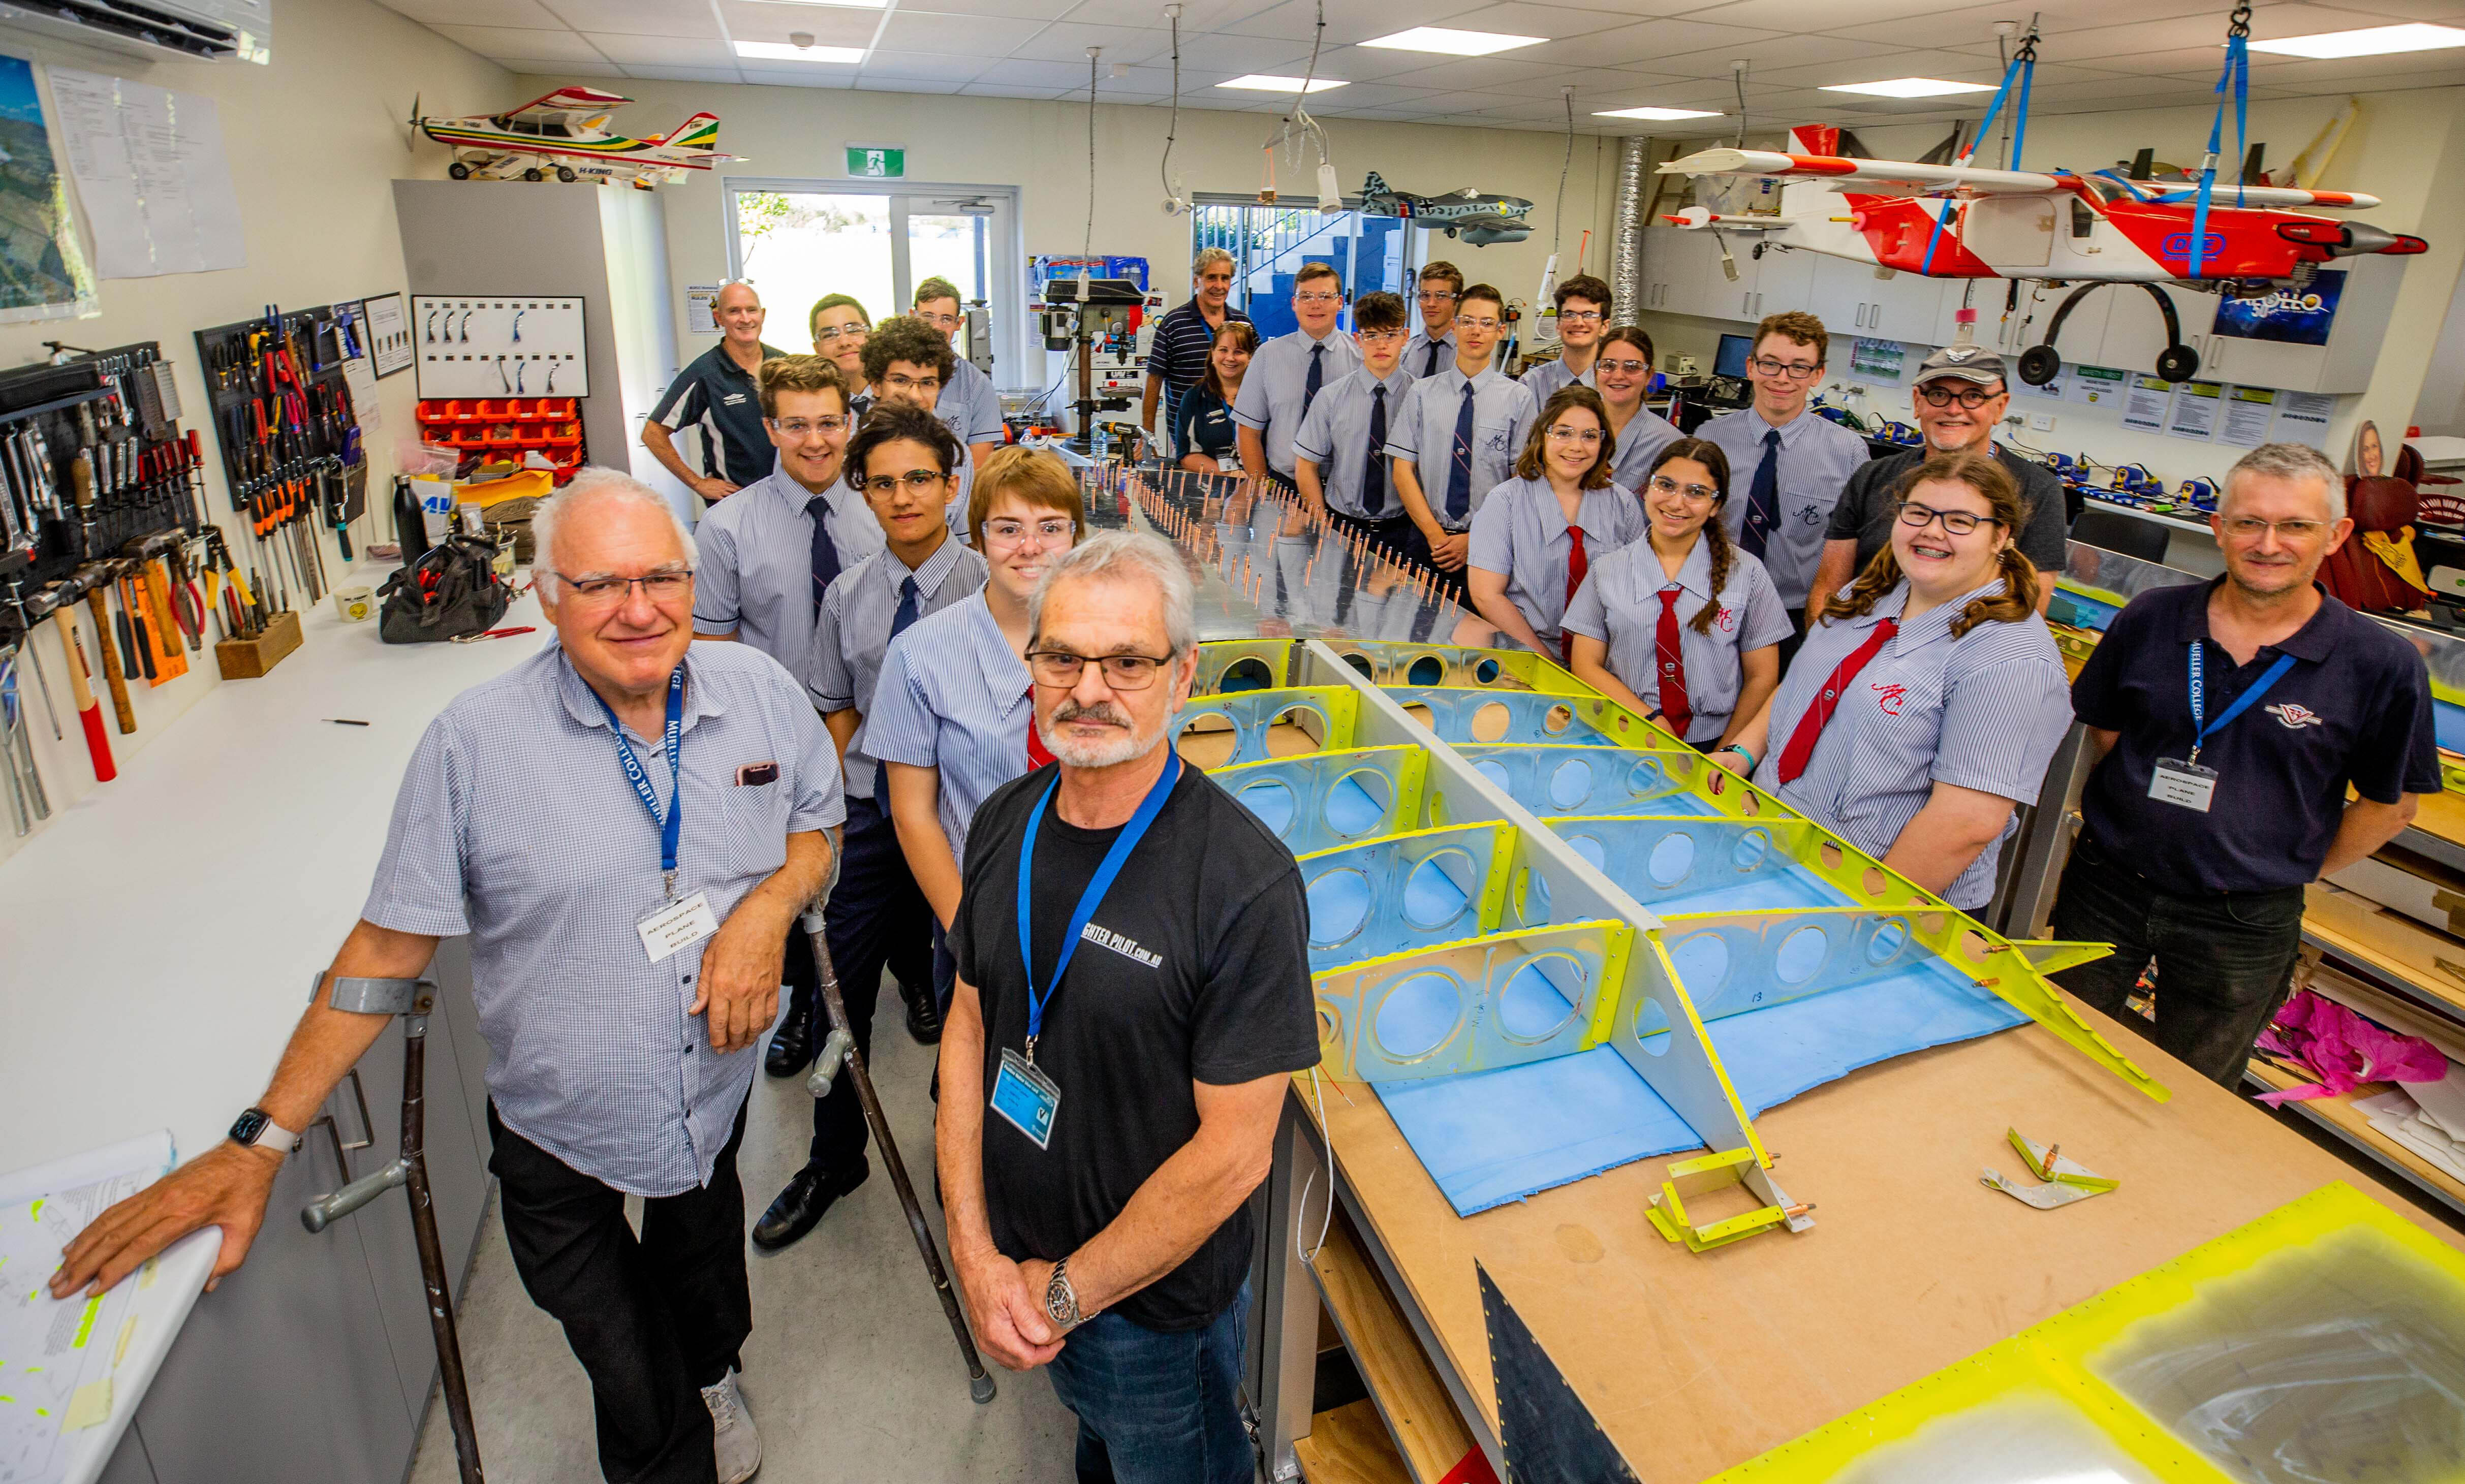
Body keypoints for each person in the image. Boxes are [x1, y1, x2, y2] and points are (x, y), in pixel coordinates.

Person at [53, 471, 841, 1484]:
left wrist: (766, 910)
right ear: (546, 594)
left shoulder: (763, 693)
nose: (639, 608)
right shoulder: (474, 746)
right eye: (601, 583)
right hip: (558, 1119)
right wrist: (261, 1140)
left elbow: (816, 828)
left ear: (692, 581)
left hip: (712, 1085)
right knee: (624, 1356)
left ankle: (714, 1364)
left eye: (660, 576)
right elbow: (385, 949)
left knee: (700, 1263)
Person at [937, 531, 1317, 1484]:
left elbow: (1232, 1158)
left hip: (1147, 1313)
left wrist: (1061, 1299)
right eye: (1062, 656)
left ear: (1183, 677)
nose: (1089, 688)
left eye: (1128, 662)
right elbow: (970, 1030)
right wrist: (976, 1254)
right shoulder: (1003, 820)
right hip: (1020, 1265)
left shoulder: (1243, 884)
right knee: (1098, 1454)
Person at [2052, 442, 2438, 1085]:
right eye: (2249, 521)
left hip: (2245, 918)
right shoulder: (2152, 617)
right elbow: (2109, 726)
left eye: (2295, 525)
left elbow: (2390, 805)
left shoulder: (2379, 663)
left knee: (2195, 1088)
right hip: (2108, 885)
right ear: (2218, 528)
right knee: (2056, 1042)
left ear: (2337, 535)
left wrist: (2286, 865)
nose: (2269, 542)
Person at [759, 404, 986, 1252]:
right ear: (863, 491)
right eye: (883, 482)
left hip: (968, 826)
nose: (902, 497)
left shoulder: (994, 588)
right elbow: (835, 706)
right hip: (872, 820)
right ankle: (834, 1156)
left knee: (975, 988)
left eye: (918, 479)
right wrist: (853, 808)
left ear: (950, 485)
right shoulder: (850, 595)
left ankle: (961, 1155)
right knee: (835, 993)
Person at [1714, 452, 2072, 911]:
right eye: (1919, 513)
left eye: (1960, 521)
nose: (1932, 530)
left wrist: (1860, 909)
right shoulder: (1865, 596)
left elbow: (1966, 824)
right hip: (1775, 849)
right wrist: (1741, 754)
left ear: (2000, 536)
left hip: (1872, 898)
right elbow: (1805, 689)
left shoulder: (2009, 658)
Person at [690, 356, 886, 1086]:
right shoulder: (726, 528)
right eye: (796, 424)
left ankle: (912, 981)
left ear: (850, 422)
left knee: (870, 868)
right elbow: (710, 655)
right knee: (790, 877)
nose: (815, 440)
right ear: (769, 427)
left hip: (873, 733)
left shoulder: (882, 512)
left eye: (829, 422)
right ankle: (803, 1004)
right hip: (776, 739)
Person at [869, 448, 1086, 1012]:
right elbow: (914, 813)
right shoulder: (920, 655)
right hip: (977, 909)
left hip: (1097, 909)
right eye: (1008, 528)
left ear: (1077, 536)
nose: (1031, 547)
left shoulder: (1109, 644)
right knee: (975, 1075)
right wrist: (967, 929)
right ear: (979, 537)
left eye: (1051, 527)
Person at [1565, 437, 1791, 750]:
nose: (1676, 502)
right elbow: (1586, 664)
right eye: (1666, 485)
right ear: (1647, 488)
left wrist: (1726, 752)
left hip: (1714, 740)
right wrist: (1649, 718)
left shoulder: (1747, 573)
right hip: (1629, 729)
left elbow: (1762, 677)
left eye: (1697, 493)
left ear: (1716, 505)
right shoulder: (1608, 569)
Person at [1814, 343, 2067, 619]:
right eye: (1938, 394)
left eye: (1974, 396)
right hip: (1858, 644)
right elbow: (1829, 590)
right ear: (1917, 401)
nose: (1954, 409)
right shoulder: (1871, 478)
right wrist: (1825, 652)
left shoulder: (2039, 491)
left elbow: (2029, 611)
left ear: (2000, 406)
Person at [1697, 311, 1870, 657]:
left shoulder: (1848, 452)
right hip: (1709, 606)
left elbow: (1854, 553)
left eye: (1799, 367)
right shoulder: (1709, 439)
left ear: (1818, 374)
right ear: (1750, 367)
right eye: (1770, 364)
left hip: (1794, 621)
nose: (1782, 378)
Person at [1465, 386, 1648, 659]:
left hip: (1605, 660)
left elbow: (1637, 592)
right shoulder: (1505, 501)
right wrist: (1545, 665)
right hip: (1527, 653)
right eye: (1564, 433)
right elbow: (1487, 596)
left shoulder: (1622, 503)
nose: (1577, 446)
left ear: (1603, 442)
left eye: (1589, 436)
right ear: (1543, 435)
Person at [1390, 282, 1539, 601]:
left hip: (1489, 547)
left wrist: (1474, 539)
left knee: (1477, 642)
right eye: (1468, 321)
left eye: (1487, 324)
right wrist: (1435, 536)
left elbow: (1521, 483)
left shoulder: (1519, 398)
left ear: (1500, 331)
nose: (1476, 331)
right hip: (1426, 541)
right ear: (1454, 327)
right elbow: (1403, 470)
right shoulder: (1421, 393)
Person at [1294, 290, 1415, 550]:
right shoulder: (1331, 397)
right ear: (1358, 339)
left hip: (1403, 529)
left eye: (1390, 334)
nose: (1381, 345)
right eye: (1371, 335)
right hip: (1343, 526)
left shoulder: (1422, 398)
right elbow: (1306, 466)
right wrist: (1323, 525)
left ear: (1405, 337)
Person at [645, 280, 785, 502]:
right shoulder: (705, 375)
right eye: (734, 311)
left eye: (752, 310)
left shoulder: (784, 366)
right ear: (719, 318)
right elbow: (653, 433)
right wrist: (697, 483)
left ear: (763, 315)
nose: (746, 319)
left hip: (789, 497)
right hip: (736, 503)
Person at [1233, 263, 1362, 492]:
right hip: (1284, 485)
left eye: (1325, 296)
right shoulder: (1268, 356)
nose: (1316, 304)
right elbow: (1248, 431)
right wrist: (1266, 490)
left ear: (1340, 302)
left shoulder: (1361, 358)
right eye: (1306, 296)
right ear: (1294, 304)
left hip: (1344, 491)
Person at [863, 314, 977, 539]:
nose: (915, 396)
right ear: (876, 385)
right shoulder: (849, 452)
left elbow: (964, 539)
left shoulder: (957, 454)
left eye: (927, 383)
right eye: (901, 381)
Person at [1142, 248, 1251, 456]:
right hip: (1190, 444)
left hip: (1239, 440)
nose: (1219, 286)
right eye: (1211, 278)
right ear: (1196, 281)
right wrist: (1149, 438)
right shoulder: (1173, 324)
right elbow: (1154, 381)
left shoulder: (1243, 324)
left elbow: (1258, 377)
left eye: (1225, 278)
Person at [913, 276, 1007, 466]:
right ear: (912, 316)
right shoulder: (891, 376)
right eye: (928, 317)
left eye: (946, 319)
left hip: (956, 493)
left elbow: (978, 469)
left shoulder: (977, 385)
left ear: (959, 323)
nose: (936, 327)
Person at [1594, 325, 1685, 492]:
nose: (1619, 375)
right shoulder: (1573, 427)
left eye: (1632, 367)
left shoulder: (1670, 444)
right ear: (1596, 371)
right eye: (1609, 365)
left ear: (1649, 375)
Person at [1173, 321, 1258, 472]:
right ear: (1213, 353)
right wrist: (1230, 474)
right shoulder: (1195, 397)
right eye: (1223, 350)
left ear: (1250, 357)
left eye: (1239, 352)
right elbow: (1186, 454)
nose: (1230, 358)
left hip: (1261, 486)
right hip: (1212, 488)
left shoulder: (1263, 396)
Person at [1519, 273, 1613, 402]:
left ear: (1604, 327)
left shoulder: (1615, 385)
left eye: (1589, 315)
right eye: (1569, 314)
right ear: (1558, 325)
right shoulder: (1531, 384)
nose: (1579, 323)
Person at [1405, 260, 1462, 379]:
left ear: (1457, 302)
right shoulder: (1404, 353)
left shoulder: (1468, 354)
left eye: (1441, 296)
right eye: (1425, 296)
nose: (1431, 304)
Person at [810, 293, 871, 393]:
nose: (844, 342)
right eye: (830, 335)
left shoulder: (901, 391)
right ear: (817, 348)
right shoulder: (810, 404)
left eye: (853, 330)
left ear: (871, 335)